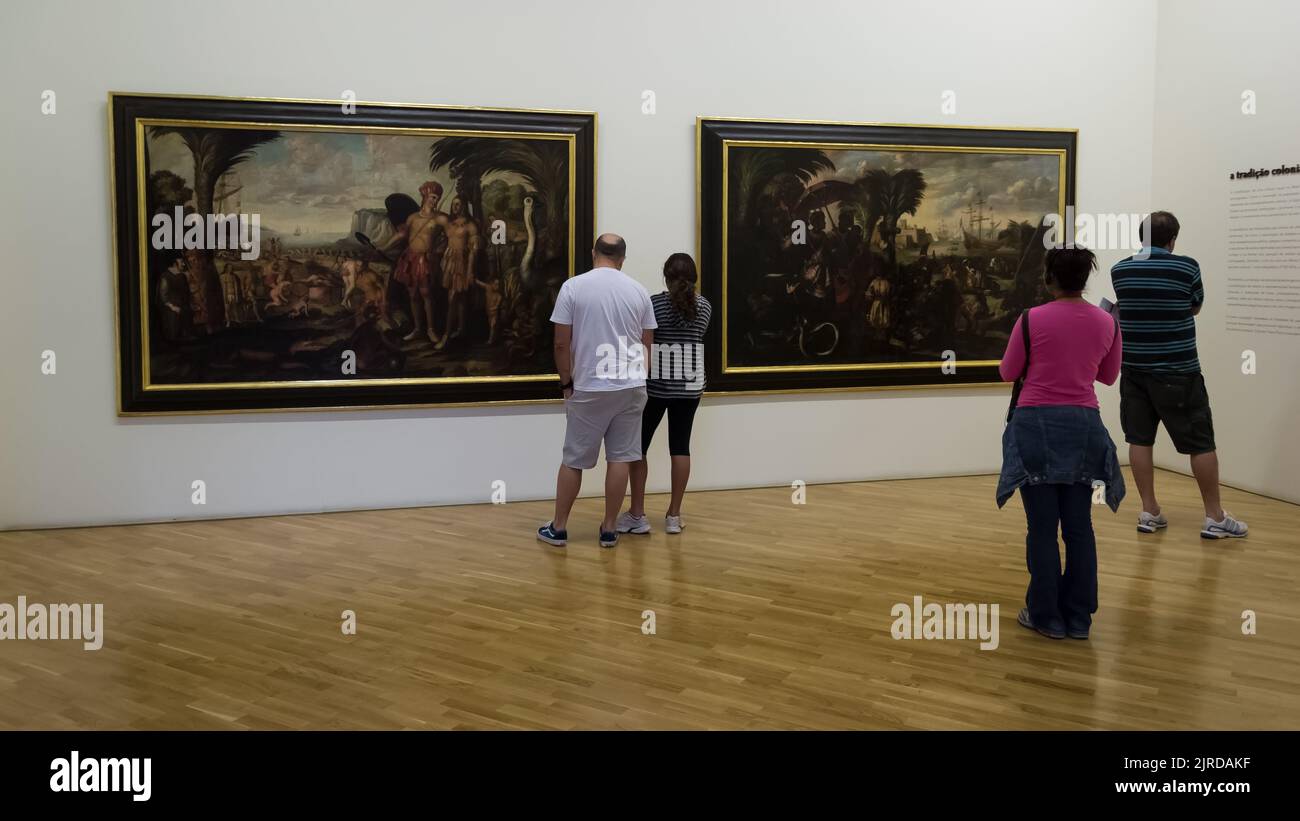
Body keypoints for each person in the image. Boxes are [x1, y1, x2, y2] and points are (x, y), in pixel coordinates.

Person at [996, 247, 1125, 641]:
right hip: (1083, 427)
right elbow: (1107, 377)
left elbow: (1007, 372)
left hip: (1035, 425)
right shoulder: (1108, 322)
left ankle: (1046, 615)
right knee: (1079, 527)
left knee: (1041, 528)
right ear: (1085, 278)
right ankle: (1079, 618)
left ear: (1049, 277)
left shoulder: (1030, 319)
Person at [1111, 211, 1247, 539]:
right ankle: (1214, 516)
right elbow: (1195, 305)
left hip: (1133, 371)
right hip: (1179, 372)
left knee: (1139, 440)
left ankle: (1150, 511)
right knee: (1200, 443)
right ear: (1173, 239)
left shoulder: (1120, 270)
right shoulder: (1186, 266)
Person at [538, 234, 656, 549]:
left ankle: (559, 527)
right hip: (630, 384)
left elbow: (561, 343)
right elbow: (646, 345)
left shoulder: (573, 288)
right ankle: (608, 529)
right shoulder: (639, 291)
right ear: (623, 257)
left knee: (574, 459)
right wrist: (639, 377)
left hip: (589, 384)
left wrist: (566, 382)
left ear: (594, 253)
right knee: (621, 458)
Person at [617, 253, 713, 535]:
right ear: (694, 277)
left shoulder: (653, 304)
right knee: (680, 447)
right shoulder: (705, 306)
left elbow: (643, 340)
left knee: (639, 447)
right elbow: (698, 338)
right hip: (691, 385)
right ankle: (673, 516)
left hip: (656, 386)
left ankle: (637, 514)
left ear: (666, 277)